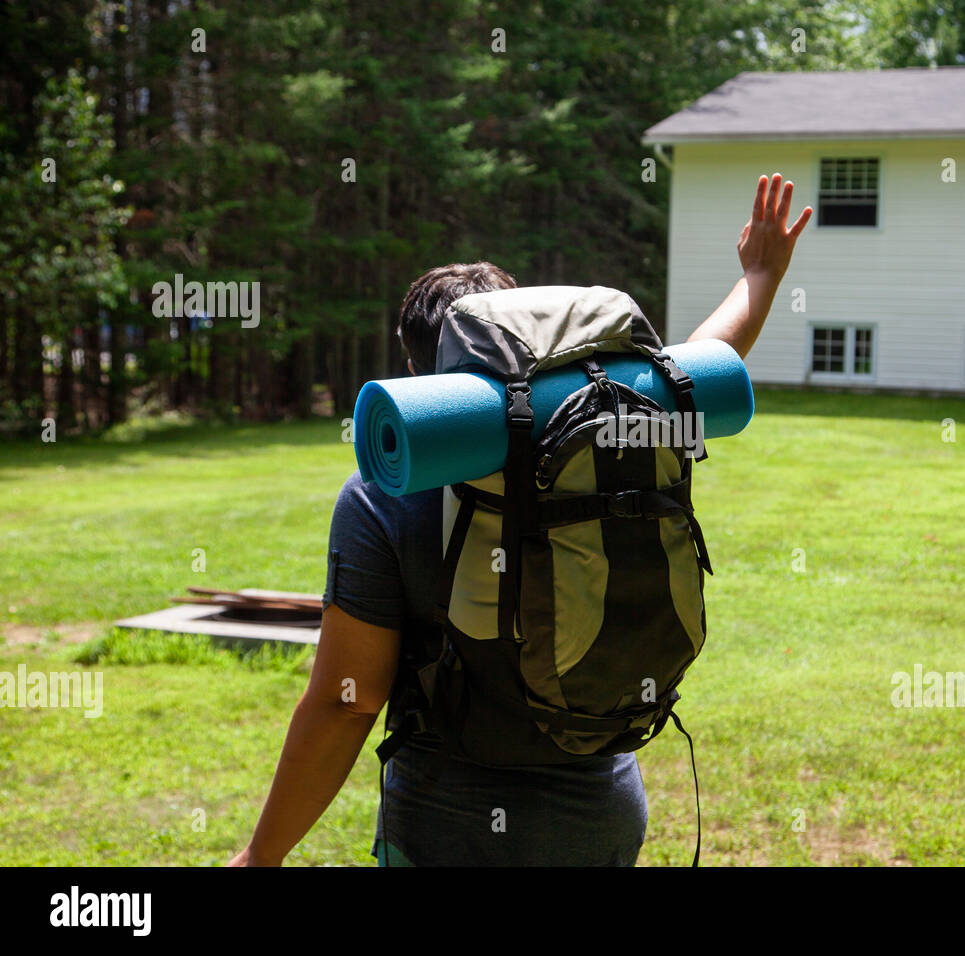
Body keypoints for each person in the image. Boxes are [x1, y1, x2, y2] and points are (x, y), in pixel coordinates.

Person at [227, 173, 812, 867]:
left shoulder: (384, 491)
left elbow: (348, 703)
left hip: (452, 828)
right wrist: (759, 274)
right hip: (602, 815)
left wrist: (260, 856)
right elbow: (697, 364)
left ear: (425, 377)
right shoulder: (619, 437)